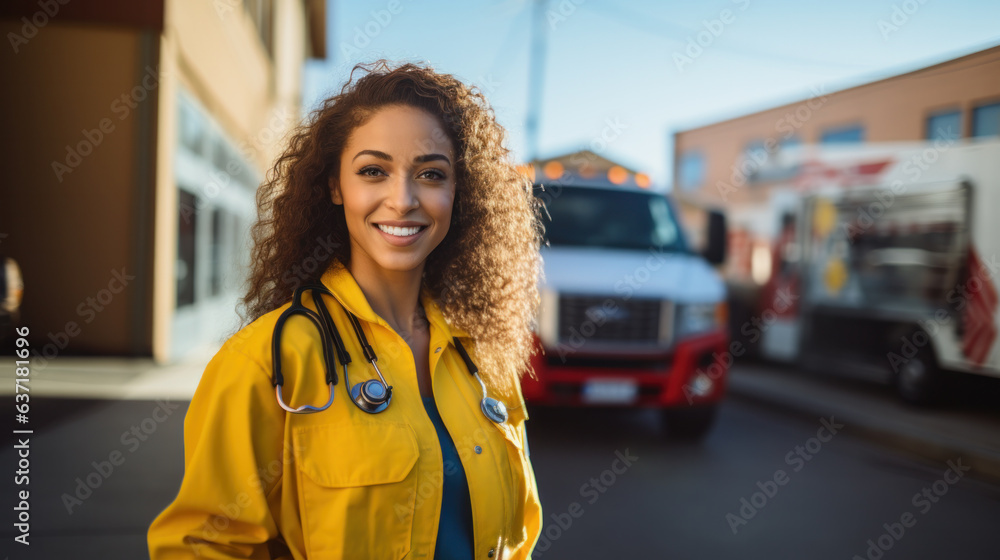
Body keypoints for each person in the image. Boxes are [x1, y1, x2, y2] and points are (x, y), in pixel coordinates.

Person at [147, 60, 545, 559]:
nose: (402, 200)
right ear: (335, 186)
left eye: (430, 174)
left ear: (457, 193)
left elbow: (519, 537)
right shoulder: (266, 361)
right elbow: (200, 547)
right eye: (373, 171)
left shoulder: (485, 361)